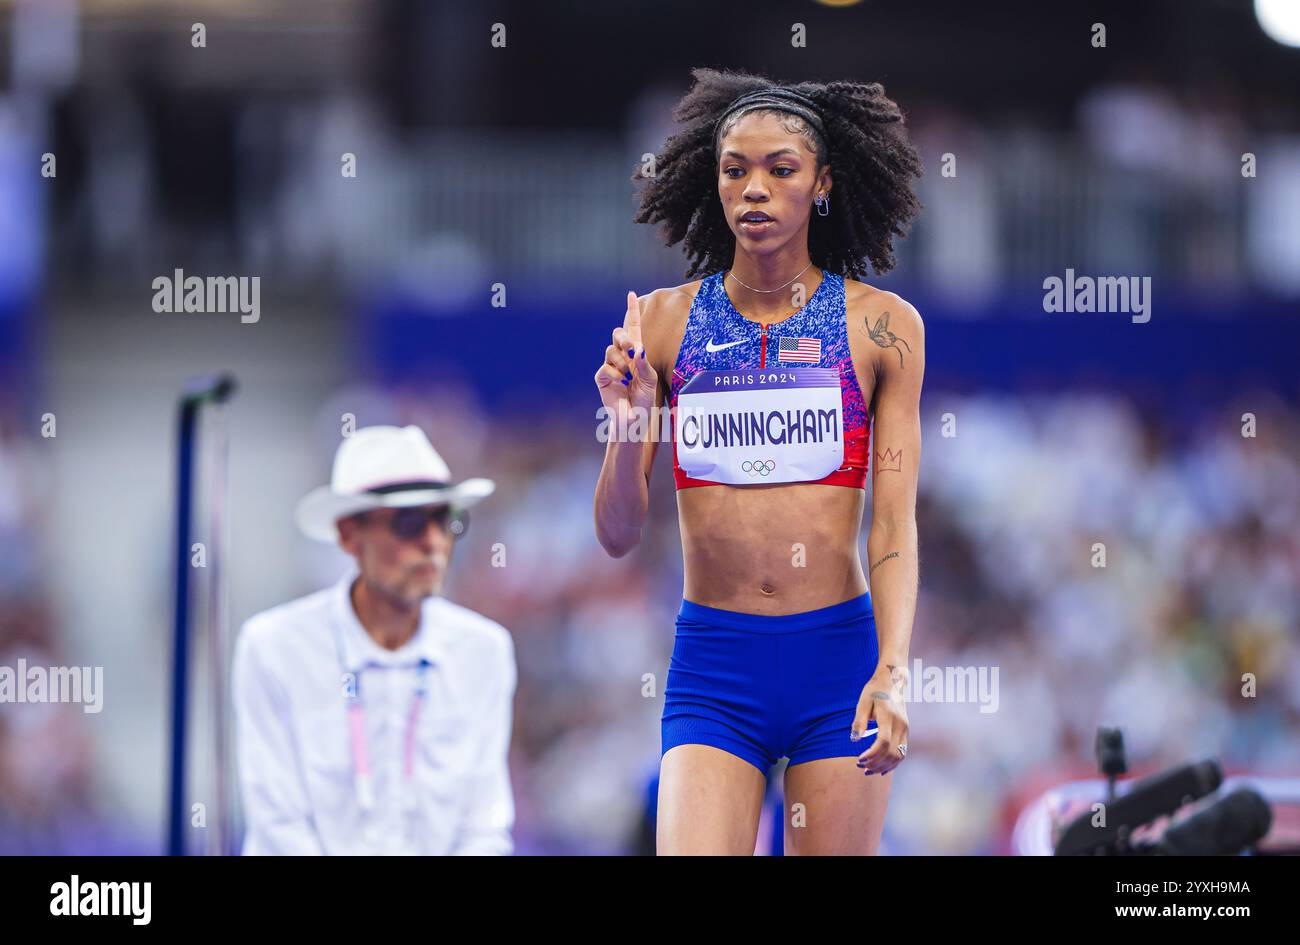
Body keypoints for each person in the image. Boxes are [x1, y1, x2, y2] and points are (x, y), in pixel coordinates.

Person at [594, 69, 925, 855]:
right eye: (735, 168)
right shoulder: (664, 325)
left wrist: (894, 668)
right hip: (715, 666)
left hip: (836, 660)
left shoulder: (882, 328)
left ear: (822, 183)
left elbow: (893, 523)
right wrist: (631, 424)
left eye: (781, 169)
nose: (754, 188)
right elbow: (615, 533)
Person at [232, 424, 516, 855]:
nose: (434, 543)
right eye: (409, 523)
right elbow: (278, 826)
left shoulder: (484, 651)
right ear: (349, 535)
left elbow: (484, 825)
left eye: (447, 520)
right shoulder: (273, 647)